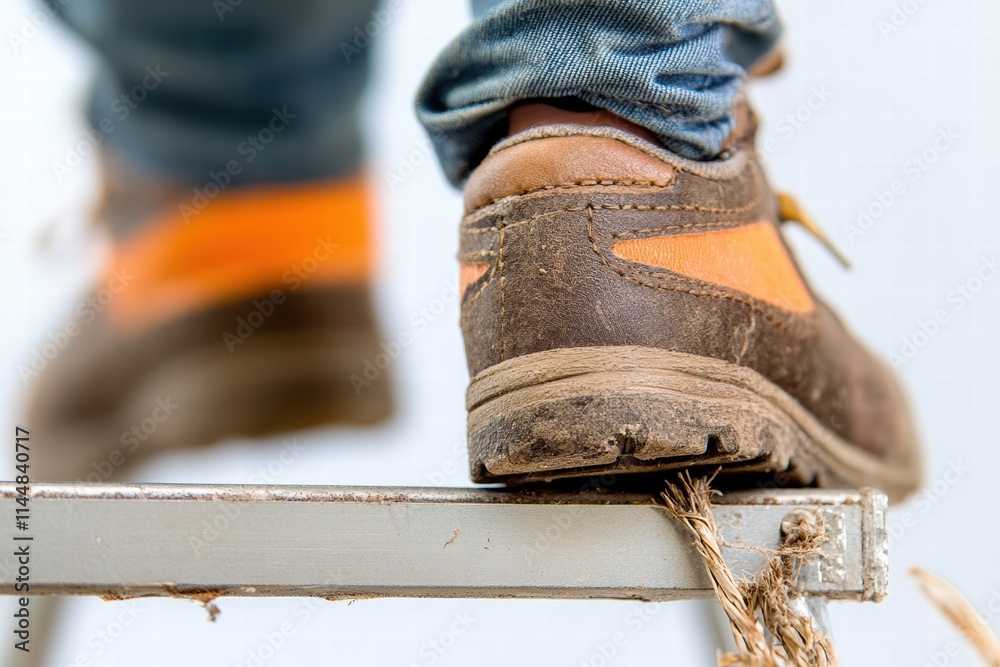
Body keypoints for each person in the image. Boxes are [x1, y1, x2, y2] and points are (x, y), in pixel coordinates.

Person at [28, 0, 922, 500]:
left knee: (218, 161)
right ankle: (625, 144)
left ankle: (220, 212)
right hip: (663, 234)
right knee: (621, 94)